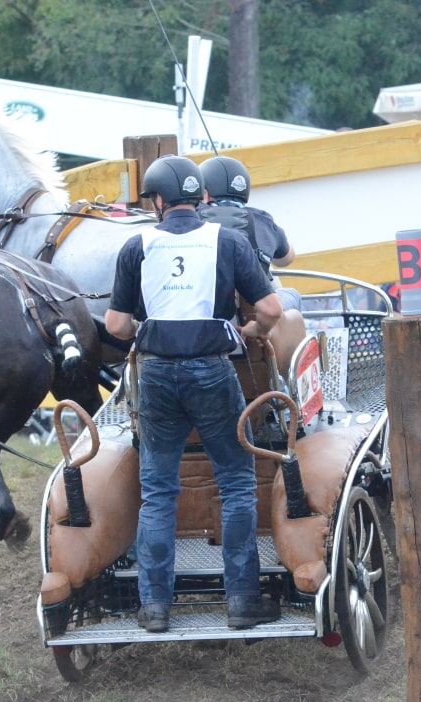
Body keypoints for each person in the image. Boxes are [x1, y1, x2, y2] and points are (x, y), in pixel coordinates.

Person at [105, 155, 283, 634]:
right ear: (202, 197)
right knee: (237, 484)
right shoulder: (227, 241)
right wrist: (246, 328)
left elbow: (117, 325)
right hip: (212, 372)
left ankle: (155, 606)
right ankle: (242, 600)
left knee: (158, 491)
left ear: (158, 201)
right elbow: (271, 308)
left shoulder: (135, 245)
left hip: (158, 376)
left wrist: (151, 324)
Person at [197, 155, 301, 311]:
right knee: (293, 294)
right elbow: (286, 259)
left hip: (204, 307)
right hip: (256, 312)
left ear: (204, 194)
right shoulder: (263, 220)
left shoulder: (193, 218)